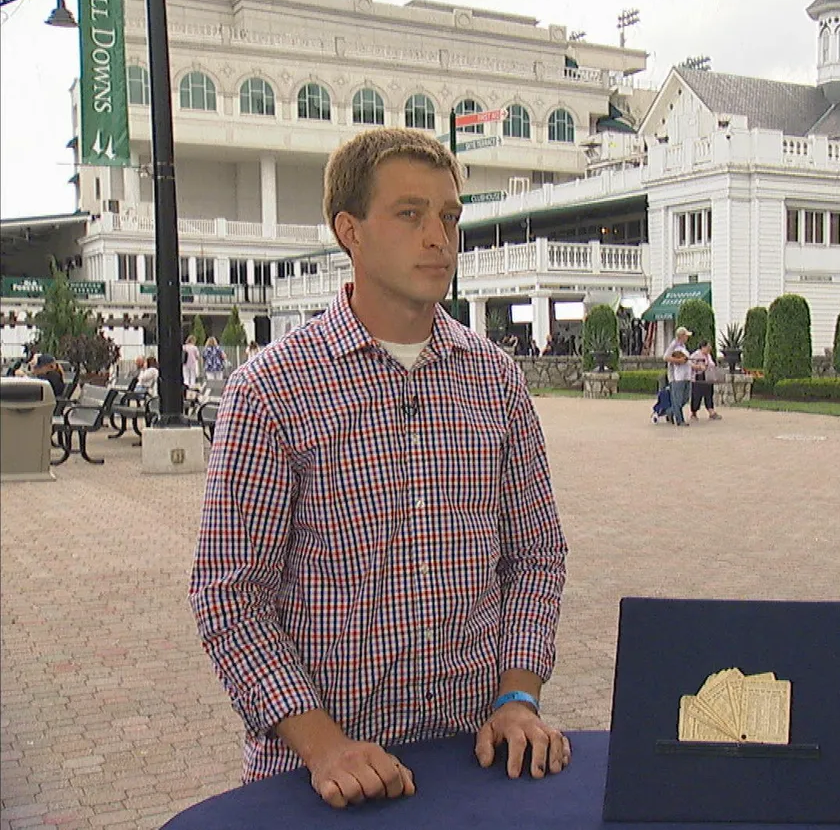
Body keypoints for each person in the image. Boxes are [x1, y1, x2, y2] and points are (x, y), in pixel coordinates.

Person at [191, 127, 572, 810]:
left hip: (475, 758)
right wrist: (325, 744)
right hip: (318, 781)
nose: (439, 237)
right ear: (350, 230)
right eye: (410, 214)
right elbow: (230, 595)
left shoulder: (496, 382)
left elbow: (536, 556)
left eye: (450, 217)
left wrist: (519, 696)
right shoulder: (272, 391)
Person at [663, 326, 693, 426]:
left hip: (686, 375)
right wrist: (678, 361)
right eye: (686, 336)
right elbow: (666, 357)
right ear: (681, 336)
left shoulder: (683, 346)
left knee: (685, 398)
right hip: (676, 377)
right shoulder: (674, 345)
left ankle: (670, 411)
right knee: (677, 399)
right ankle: (680, 420)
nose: (687, 338)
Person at [688, 339, 722, 421]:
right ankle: (694, 413)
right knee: (696, 396)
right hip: (698, 377)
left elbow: (711, 364)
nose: (709, 348)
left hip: (708, 377)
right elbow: (689, 363)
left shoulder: (708, 355)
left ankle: (711, 412)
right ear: (703, 347)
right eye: (707, 347)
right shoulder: (696, 354)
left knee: (709, 394)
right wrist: (698, 367)